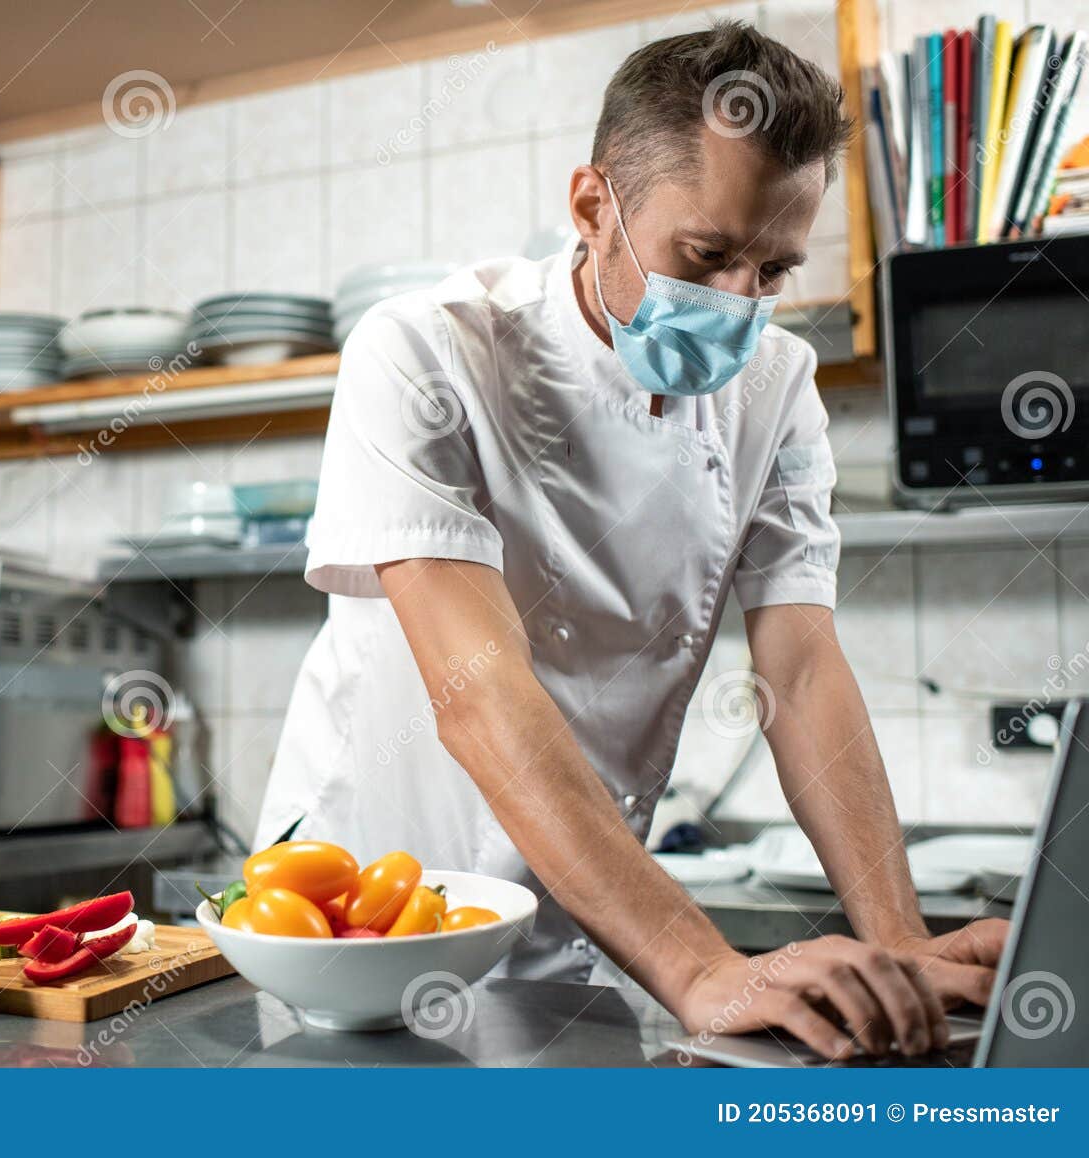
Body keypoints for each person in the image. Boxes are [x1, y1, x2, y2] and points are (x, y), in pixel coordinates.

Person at [254, 21, 1007, 1060]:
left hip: (585, 923)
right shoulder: (425, 353)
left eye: (773, 271)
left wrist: (897, 937)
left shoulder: (779, 392)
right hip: (358, 929)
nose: (741, 304)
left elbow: (800, 665)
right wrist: (698, 968)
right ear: (590, 205)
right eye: (705, 256)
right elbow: (475, 686)